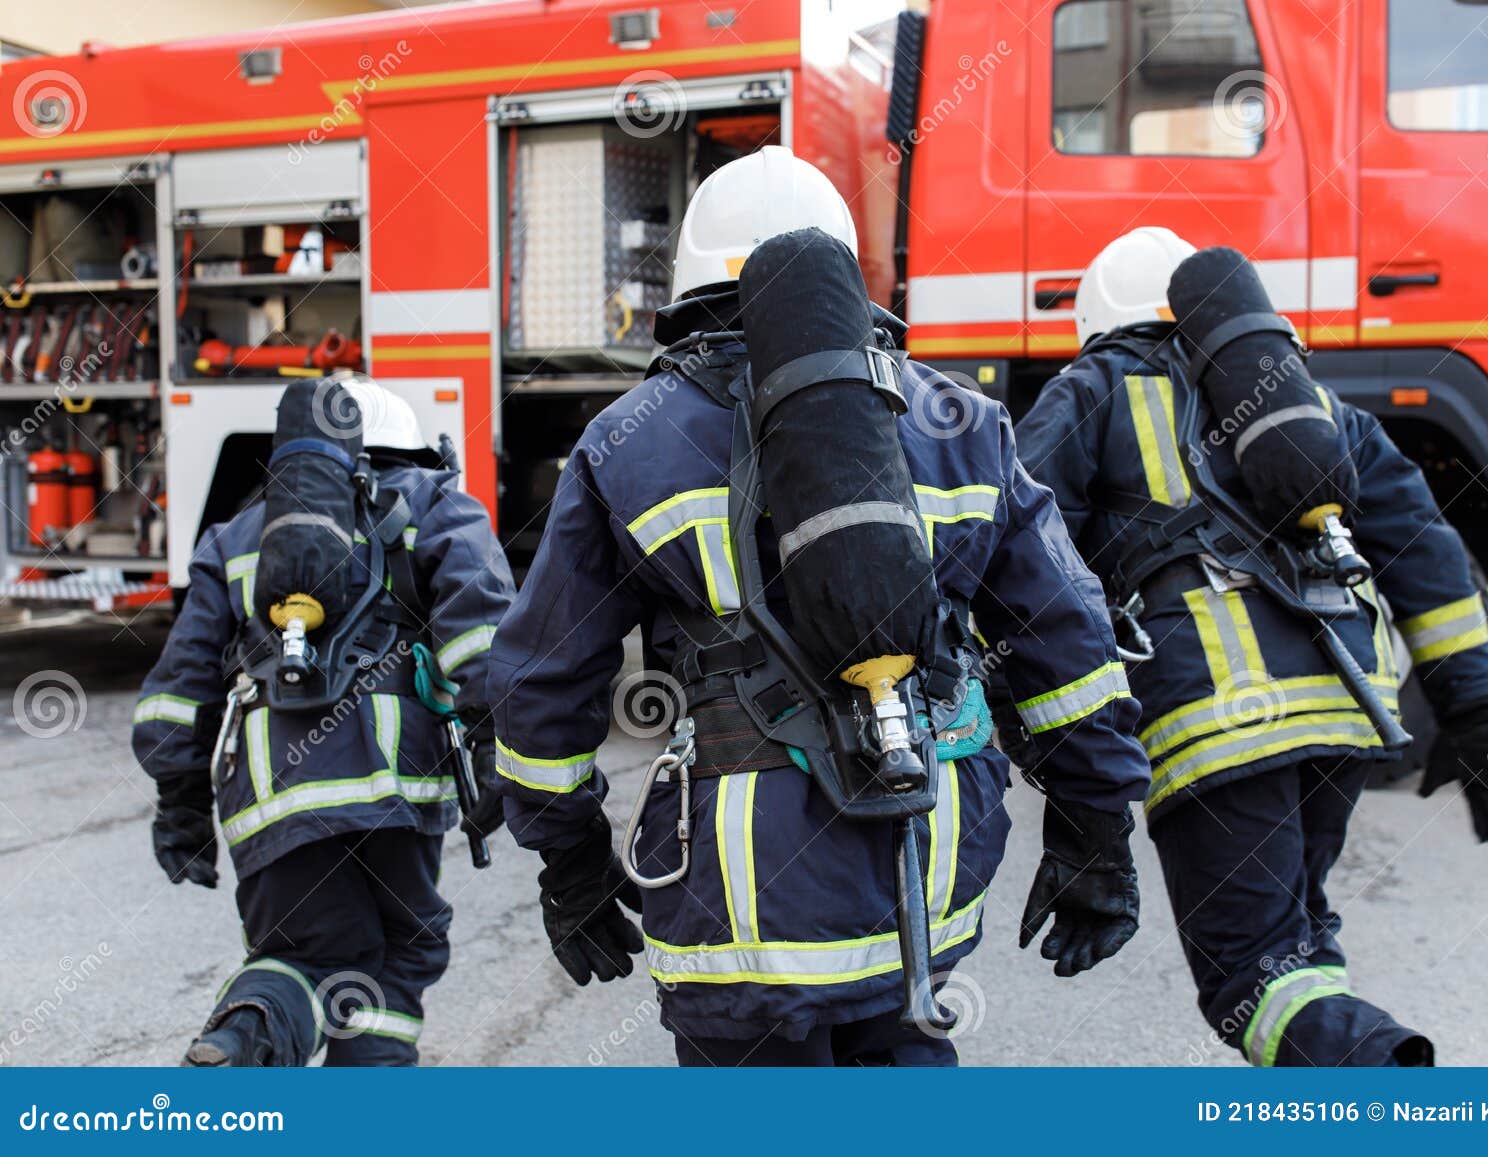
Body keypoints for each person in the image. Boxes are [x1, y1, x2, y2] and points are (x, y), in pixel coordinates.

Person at [487, 146, 1151, 1067]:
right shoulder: (958, 421)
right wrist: (1096, 831)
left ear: (689, 284)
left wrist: (570, 863)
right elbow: (1068, 646)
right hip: (923, 871)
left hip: (739, 907)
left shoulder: (626, 441)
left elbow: (543, 685)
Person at [1014, 226, 1488, 1067]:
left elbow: (1024, 566)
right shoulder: (1312, 408)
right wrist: (1473, 711)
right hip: (1345, 717)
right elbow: (1429, 554)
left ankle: (1393, 1088)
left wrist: (1073, 788)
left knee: (1252, 982)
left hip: (1220, 724)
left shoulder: (1093, 389)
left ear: (1100, 322)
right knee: (1297, 950)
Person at [132, 377, 513, 1066]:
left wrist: (179, 804)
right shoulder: (433, 503)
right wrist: (496, 746)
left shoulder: (234, 536)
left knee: (302, 951)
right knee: (403, 948)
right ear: (407, 446)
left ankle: (240, 1037)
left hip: (271, 798)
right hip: (394, 792)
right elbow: (486, 633)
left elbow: (178, 690)